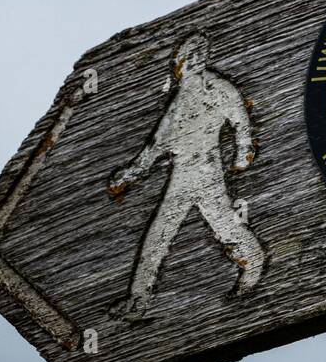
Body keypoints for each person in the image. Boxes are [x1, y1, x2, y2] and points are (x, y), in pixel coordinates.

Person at [106, 33, 265, 321]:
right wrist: (127, 176)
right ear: (179, 64)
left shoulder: (218, 88)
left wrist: (243, 153)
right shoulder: (179, 102)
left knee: (225, 227)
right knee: (157, 237)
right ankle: (138, 301)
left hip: (207, 171)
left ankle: (253, 264)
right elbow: (156, 147)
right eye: (188, 55)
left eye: (199, 53)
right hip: (182, 175)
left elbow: (240, 118)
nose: (195, 59)